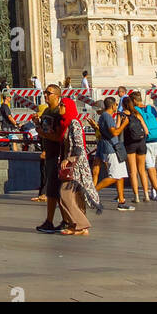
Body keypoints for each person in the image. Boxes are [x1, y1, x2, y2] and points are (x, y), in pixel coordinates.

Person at [56, 101, 101, 236]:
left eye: (62, 105)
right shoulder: (67, 123)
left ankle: (81, 224)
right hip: (74, 164)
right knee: (75, 196)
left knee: (65, 194)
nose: (60, 107)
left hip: (75, 165)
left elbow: (79, 144)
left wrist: (68, 159)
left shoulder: (74, 123)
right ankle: (78, 226)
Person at [32, 85, 67, 226]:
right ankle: (52, 220)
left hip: (57, 154)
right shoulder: (46, 110)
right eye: (44, 93)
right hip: (50, 153)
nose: (45, 95)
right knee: (53, 190)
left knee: (56, 190)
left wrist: (43, 134)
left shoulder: (59, 112)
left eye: (48, 93)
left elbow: (59, 136)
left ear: (57, 96)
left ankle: (60, 221)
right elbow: (46, 129)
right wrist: (37, 124)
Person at [92, 97, 131, 209]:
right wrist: (124, 124)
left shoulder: (105, 116)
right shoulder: (107, 116)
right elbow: (114, 132)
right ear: (113, 105)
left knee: (120, 175)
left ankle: (121, 201)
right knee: (114, 176)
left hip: (114, 147)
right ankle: (91, 193)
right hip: (111, 149)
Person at [119, 92, 149, 204]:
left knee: (133, 171)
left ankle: (136, 196)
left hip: (130, 144)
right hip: (141, 143)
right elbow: (146, 131)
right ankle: (146, 194)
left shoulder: (122, 115)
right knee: (142, 170)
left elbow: (118, 129)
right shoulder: (137, 114)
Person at [136, 91, 157, 201]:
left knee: (149, 167)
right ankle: (153, 190)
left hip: (146, 140)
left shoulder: (136, 110)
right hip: (156, 139)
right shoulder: (151, 109)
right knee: (151, 165)